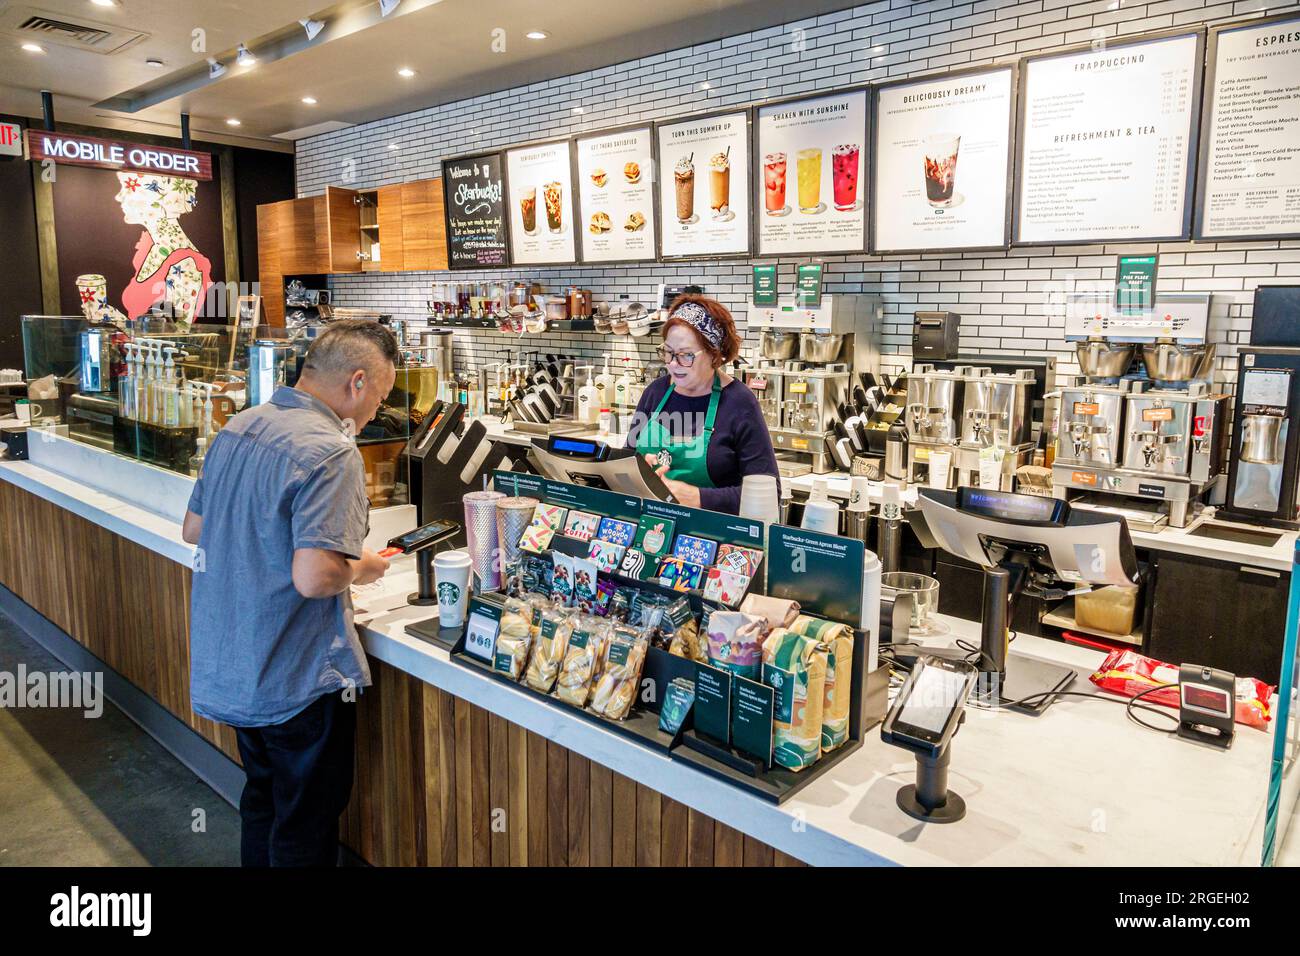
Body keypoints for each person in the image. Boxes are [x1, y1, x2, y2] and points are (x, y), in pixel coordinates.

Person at [181, 320, 397, 866]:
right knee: (304, 828)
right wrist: (363, 565)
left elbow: (195, 528)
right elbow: (315, 577)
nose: (377, 411)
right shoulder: (331, 450)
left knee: (263, 807)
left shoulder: (241, 425)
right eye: (382, 395)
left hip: (235, 665)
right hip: (295, 675)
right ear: (356, 383)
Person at [627, 294, 780, 514]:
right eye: (668, 352)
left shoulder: (739, 403)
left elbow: (770, 492)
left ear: (713, 355)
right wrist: (639, 471)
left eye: (686, 355)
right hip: (652, 530)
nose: (673, 364)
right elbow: (624, 462)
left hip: (713, 539)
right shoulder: (656, 393)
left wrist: (699, 497)